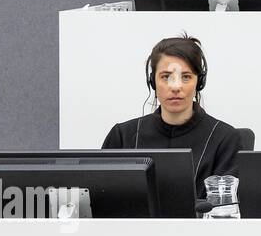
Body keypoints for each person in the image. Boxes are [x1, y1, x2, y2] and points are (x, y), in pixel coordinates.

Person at [102, 35, 244, 199]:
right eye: (166, 76)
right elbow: (102, 201)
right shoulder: (122, 136)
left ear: (199, 82)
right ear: (152, 82)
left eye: (186, 77)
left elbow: (227, 211)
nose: (176, 87)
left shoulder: (225, 139)